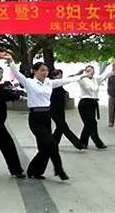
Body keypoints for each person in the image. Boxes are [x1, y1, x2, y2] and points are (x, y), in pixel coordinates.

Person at [7, 53, 91, 181]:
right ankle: (59, 169)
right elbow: (17, 74)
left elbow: (66, 80)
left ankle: (34, 171)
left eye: (46, 70)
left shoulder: (49, 83)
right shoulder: (29, 82)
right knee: (51, 143)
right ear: (34, 71)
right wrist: (11, 60)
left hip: (47, 116)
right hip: (35, 118)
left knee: (44, 148)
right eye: (42, 70)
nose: (45, 73)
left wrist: (82, 75)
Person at [76, 65, 109, 149]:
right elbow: (72, 78)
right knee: (92, 123)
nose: (89, 72)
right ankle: (97, 142)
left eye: (91, 70)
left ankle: (83, 142)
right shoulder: (82, 79)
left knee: (88, 124)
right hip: (84, 103)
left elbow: (106, 75)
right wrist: (79, 74)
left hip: (93, 103)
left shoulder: (96, 80)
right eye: (87, 71)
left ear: (94, 71)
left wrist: (113, 68)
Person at [49, 69, 83, 150]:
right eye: (58, 75)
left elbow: (68, 79)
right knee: (63, 126)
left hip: (60, 109)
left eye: (61, 75)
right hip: (53, 109)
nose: (60, 77)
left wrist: (77, 74)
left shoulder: (59, 84)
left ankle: (53, 144)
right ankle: (77, 143)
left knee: (60, 127)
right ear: (54, 76)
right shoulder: (52, 84)